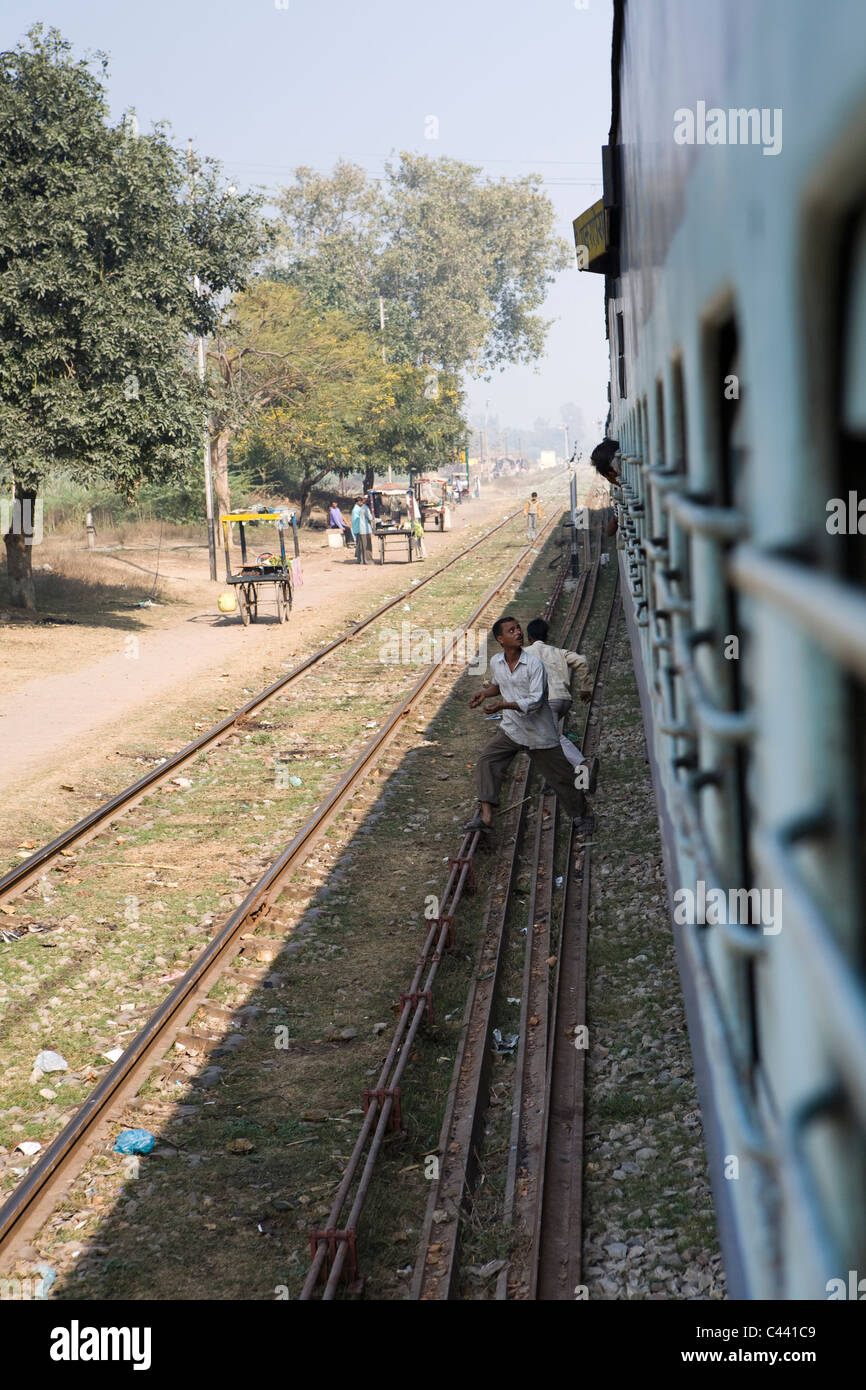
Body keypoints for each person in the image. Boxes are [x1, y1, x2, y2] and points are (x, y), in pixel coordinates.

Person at [464, 615, 586, 831]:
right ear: (500, 639)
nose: (518, 633)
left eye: (518, 629)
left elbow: (536, 701)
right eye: (511, 631)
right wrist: (484, 693)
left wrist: (502, 706)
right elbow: (498, 685)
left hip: (539, 732)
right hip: (512, 730)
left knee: (562, 778)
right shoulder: (496, 662)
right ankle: (486, 819)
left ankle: (583, 816)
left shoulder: (534, 664)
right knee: (487, 761)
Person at [524, 617, 598, 792]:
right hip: (564, 699)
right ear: (546, 636)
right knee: (549, 741)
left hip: (547, 700)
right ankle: (560, 779)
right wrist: (585, 688)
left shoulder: (524, 654)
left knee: (554, 737)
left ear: (529, 638)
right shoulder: (558, 651)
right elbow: (582, 661)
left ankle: (584, 765)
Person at [351, 495, 373, 564]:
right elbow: (369, 518)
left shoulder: (359, 508)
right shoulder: (358, 509)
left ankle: (360, 560)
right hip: (360, 529)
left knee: (360, 545)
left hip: (360, 529)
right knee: (363, 545)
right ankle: (364, 560)